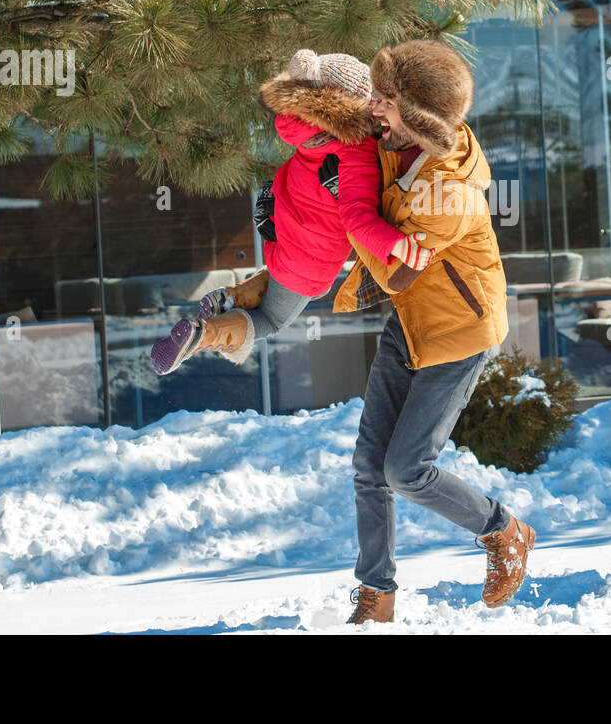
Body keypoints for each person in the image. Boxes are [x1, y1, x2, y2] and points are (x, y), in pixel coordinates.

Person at [330, 39, 534, 624]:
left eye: (386, 101)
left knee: (405, 468)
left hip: (460, 331)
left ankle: (504, 530)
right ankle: (377, 594)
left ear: (418, 117)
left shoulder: (448, 192)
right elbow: (353, 164)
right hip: (413, 320)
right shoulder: (400, 145)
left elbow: (392, 266)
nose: (375, 109)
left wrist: (348, 209)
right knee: (369, 464)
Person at [150, 49, 435, 375]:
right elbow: (357, 219)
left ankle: (230, 298)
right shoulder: (354, 151)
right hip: (308, 256)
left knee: (284, 281)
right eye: (368, 98)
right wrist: (397, 245)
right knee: (271, 320)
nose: (374, 105)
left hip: (285, 230)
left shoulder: (311, 134)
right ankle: (202, 335)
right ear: (351, 103)